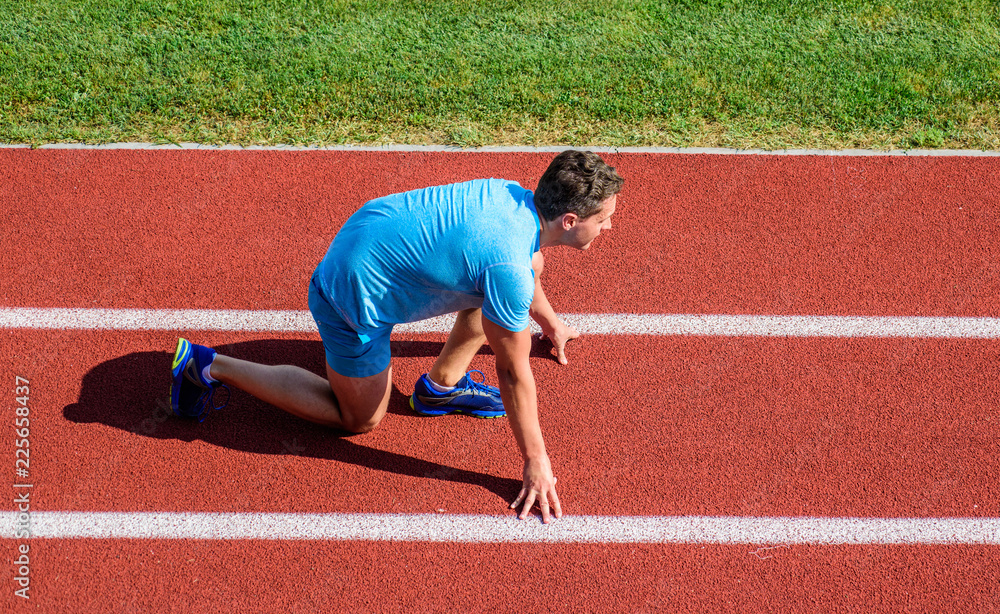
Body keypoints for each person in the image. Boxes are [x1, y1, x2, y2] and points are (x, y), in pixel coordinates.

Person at [169, 150, 623, 523]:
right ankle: (207, 365)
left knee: (520, 274)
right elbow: (512, 370)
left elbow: (521, 269)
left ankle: (438, 390)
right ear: (568, 220)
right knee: (359, 420)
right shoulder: (508, 269)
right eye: (603, 219)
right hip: (350, 290)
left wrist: (551, 323)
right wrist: (536, 462)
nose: (608, 228)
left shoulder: (510, 198)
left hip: (369, 234)